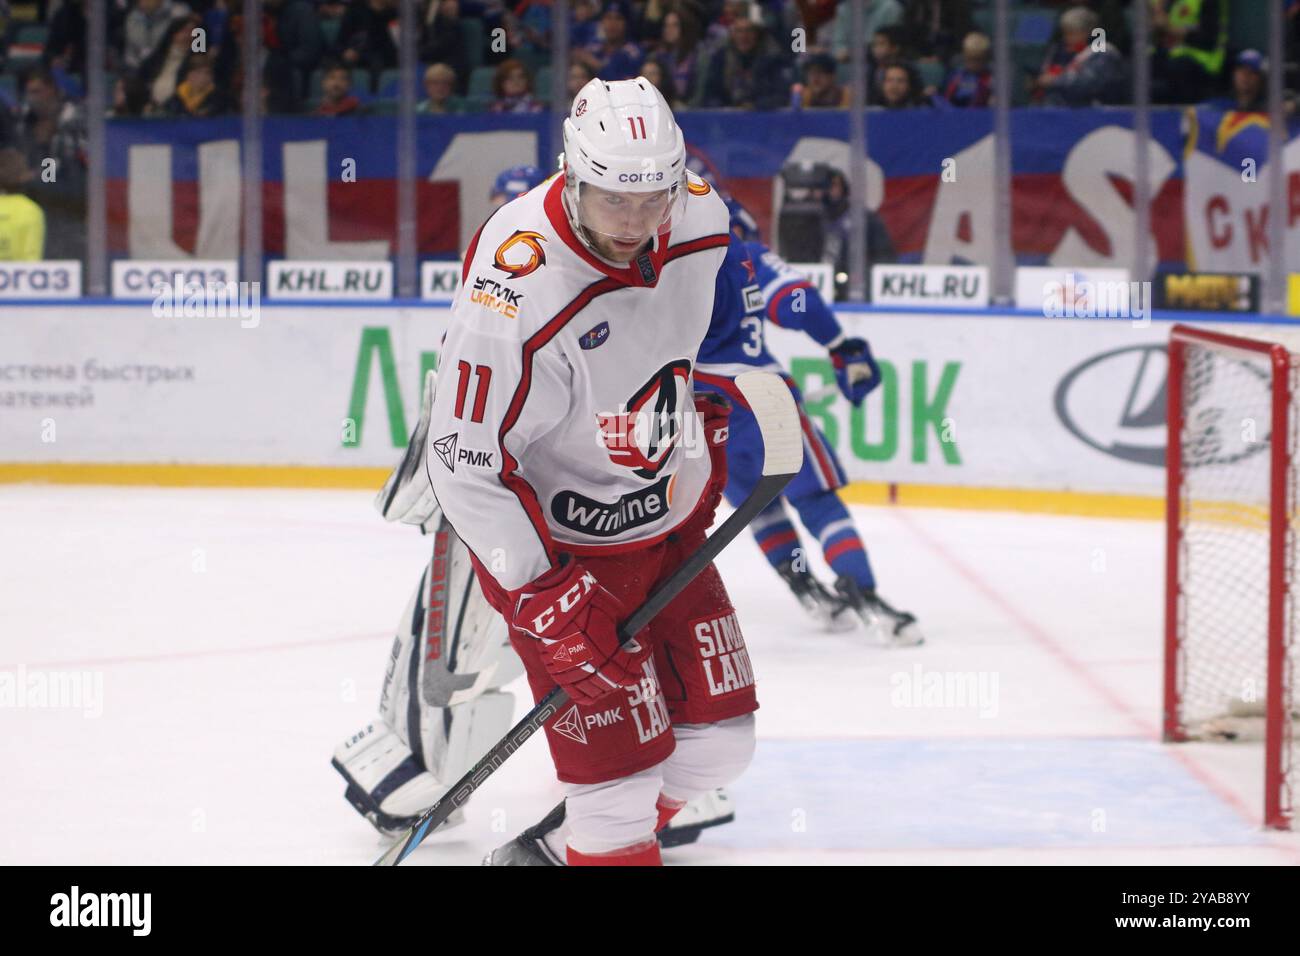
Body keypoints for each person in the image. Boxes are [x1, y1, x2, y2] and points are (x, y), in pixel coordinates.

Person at [428, 77, 750, 867]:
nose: (638, 225)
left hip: (664, 523)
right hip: (565, 557)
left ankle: (551, 851)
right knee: (617, 797)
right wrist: (540, 598)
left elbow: (719, 331)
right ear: (571, 177)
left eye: (655, 201)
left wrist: (709, 402)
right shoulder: (514, 287)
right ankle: (601, 841)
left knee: (720, 751)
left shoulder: (699, 212)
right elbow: (463, 461)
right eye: (614, 201)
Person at [694, 196, 922, 644]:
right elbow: (796, 301)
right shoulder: (744, 254)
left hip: (702, 412)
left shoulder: (669, 264)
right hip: (762, 402)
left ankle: (805, 588)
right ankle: (864, 593)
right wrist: (841, 345)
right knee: (815, 500)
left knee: (757, 506)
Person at [0, 148, 44, 261]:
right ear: (24, 176)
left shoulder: (30, 210)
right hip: (15, 277)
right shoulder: (30, 210)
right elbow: (31, 259)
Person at [941, 31, 992, 108]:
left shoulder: (991, 79)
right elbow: (945, 99)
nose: (973, 63)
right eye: (969, 58)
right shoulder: (955, 76)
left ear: (985, 59)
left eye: (977, 59)